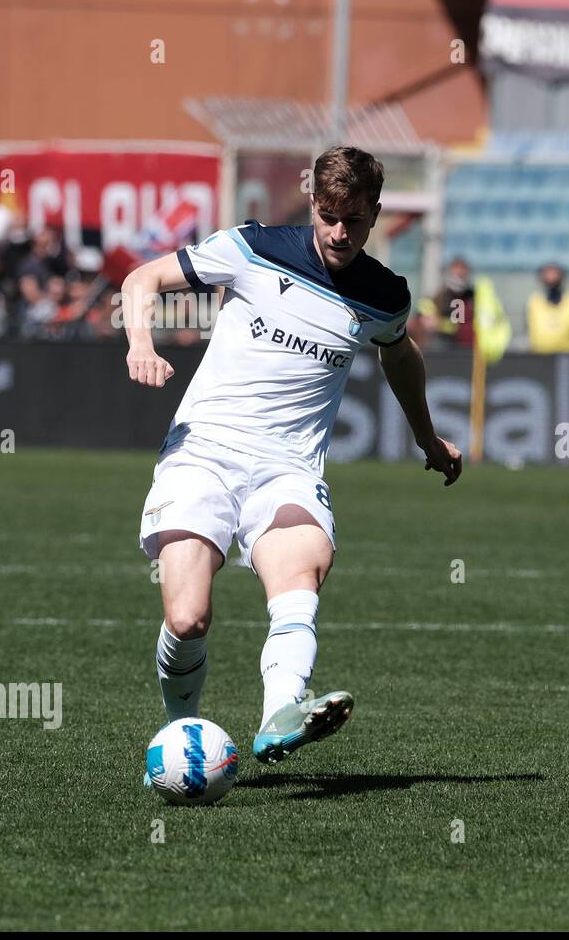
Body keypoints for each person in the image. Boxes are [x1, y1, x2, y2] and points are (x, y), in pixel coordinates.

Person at [123, 145, 462, 774]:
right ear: (314, 202)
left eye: (354, 220)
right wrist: (140, 342)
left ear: (375, 215)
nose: (339, 231)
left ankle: (281, 713)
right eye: (329, 215)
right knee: (188, 616)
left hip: (289, 470)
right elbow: (142, 278)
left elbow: (399, 355)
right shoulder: (253, 248)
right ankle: (181, 731)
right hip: (205, 453)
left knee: (300, 571)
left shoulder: (383, 294)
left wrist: (427, 439)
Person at [417, 255, 511, 362]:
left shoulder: (473, 297)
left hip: (471, 351)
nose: (458, 277)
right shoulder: (439, 297)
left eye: (462, 274)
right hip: (445, 350)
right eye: (456, 273)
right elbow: (426, 319)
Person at [527, 263, 569, 353]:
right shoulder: (534, 302)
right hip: (540, 357)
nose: (551, 278)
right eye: (547, 275)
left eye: (555, 274)